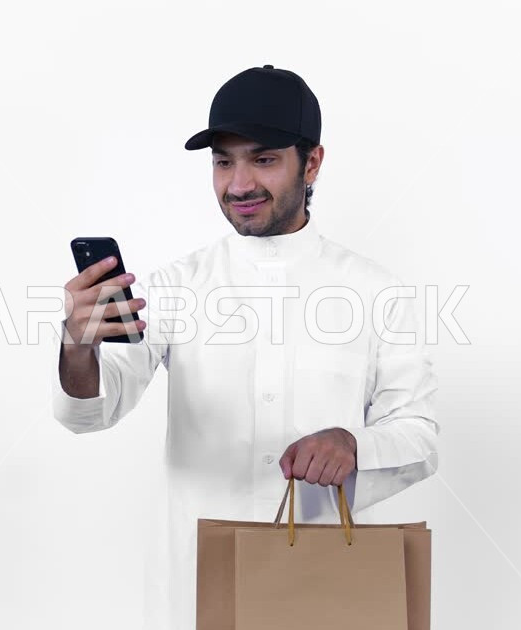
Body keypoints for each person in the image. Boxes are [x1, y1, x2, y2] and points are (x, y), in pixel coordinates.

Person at [51, 64, 440, 630]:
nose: (238, 184)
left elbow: (421, 437)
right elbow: (89, 413)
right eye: (222, 161)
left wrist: (354, 443)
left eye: (262, 159)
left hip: (327, 588)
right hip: (192, 588)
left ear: (311, 163)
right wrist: (77, 346)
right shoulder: (175, 285)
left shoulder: (374, 290)